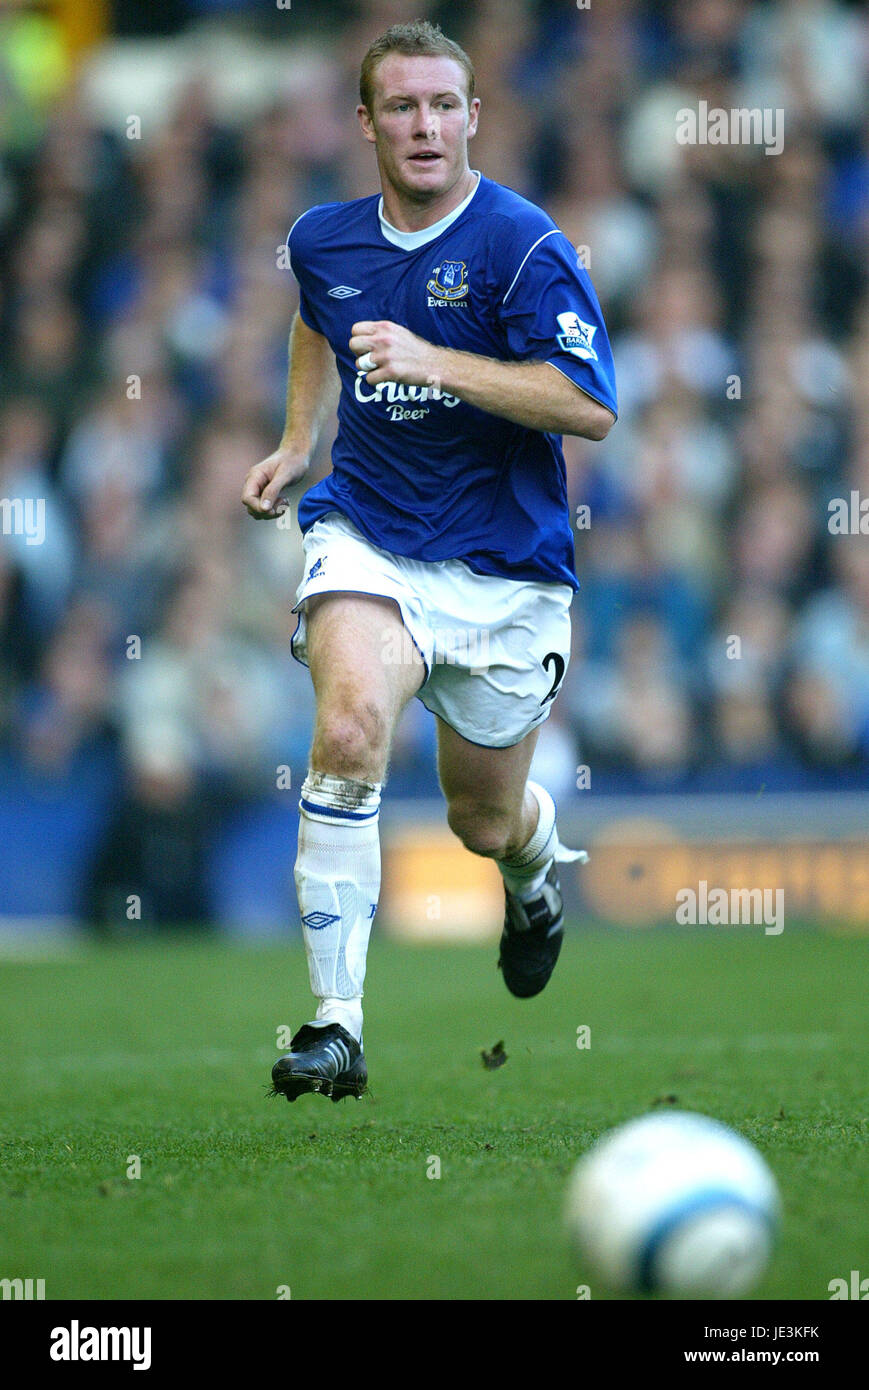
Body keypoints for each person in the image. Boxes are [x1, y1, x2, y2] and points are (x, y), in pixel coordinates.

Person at [242, 20, 617, 1103]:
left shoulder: (521, 244)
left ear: (471, 117)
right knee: (350, 723)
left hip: (505, 570)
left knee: (479, 820)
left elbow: (585, 405)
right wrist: (297, 439)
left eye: (442, 105)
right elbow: (321, 318)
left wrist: (434, 362)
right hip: (366, 529)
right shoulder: (323, 237)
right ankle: (335, 1025)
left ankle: (532, 878)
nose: (422, 125)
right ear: (365, 124)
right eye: (399, 106)